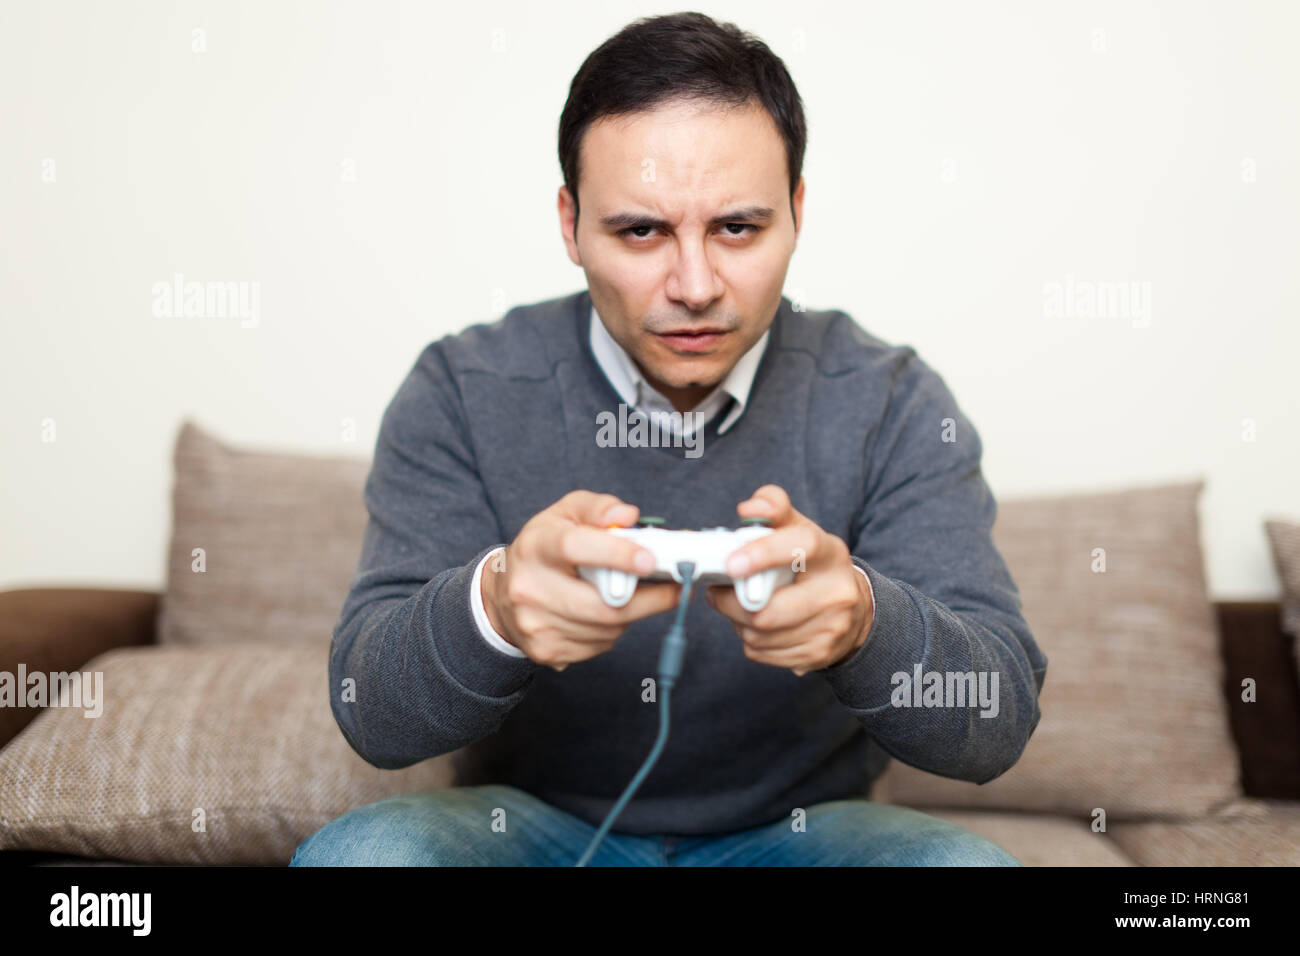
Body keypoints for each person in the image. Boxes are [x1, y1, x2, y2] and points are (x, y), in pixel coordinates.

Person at [291, 11, 1047, 867]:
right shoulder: (464, 390)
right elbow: (370, 713)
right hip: (533, 829)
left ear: (798, 213)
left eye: (737, 228)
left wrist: (867, 623)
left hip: (802, 836)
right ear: (571, 224)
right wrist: (494, 607)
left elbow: (998, 722)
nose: (694, 287)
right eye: (641, 231)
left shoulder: (891, 399)